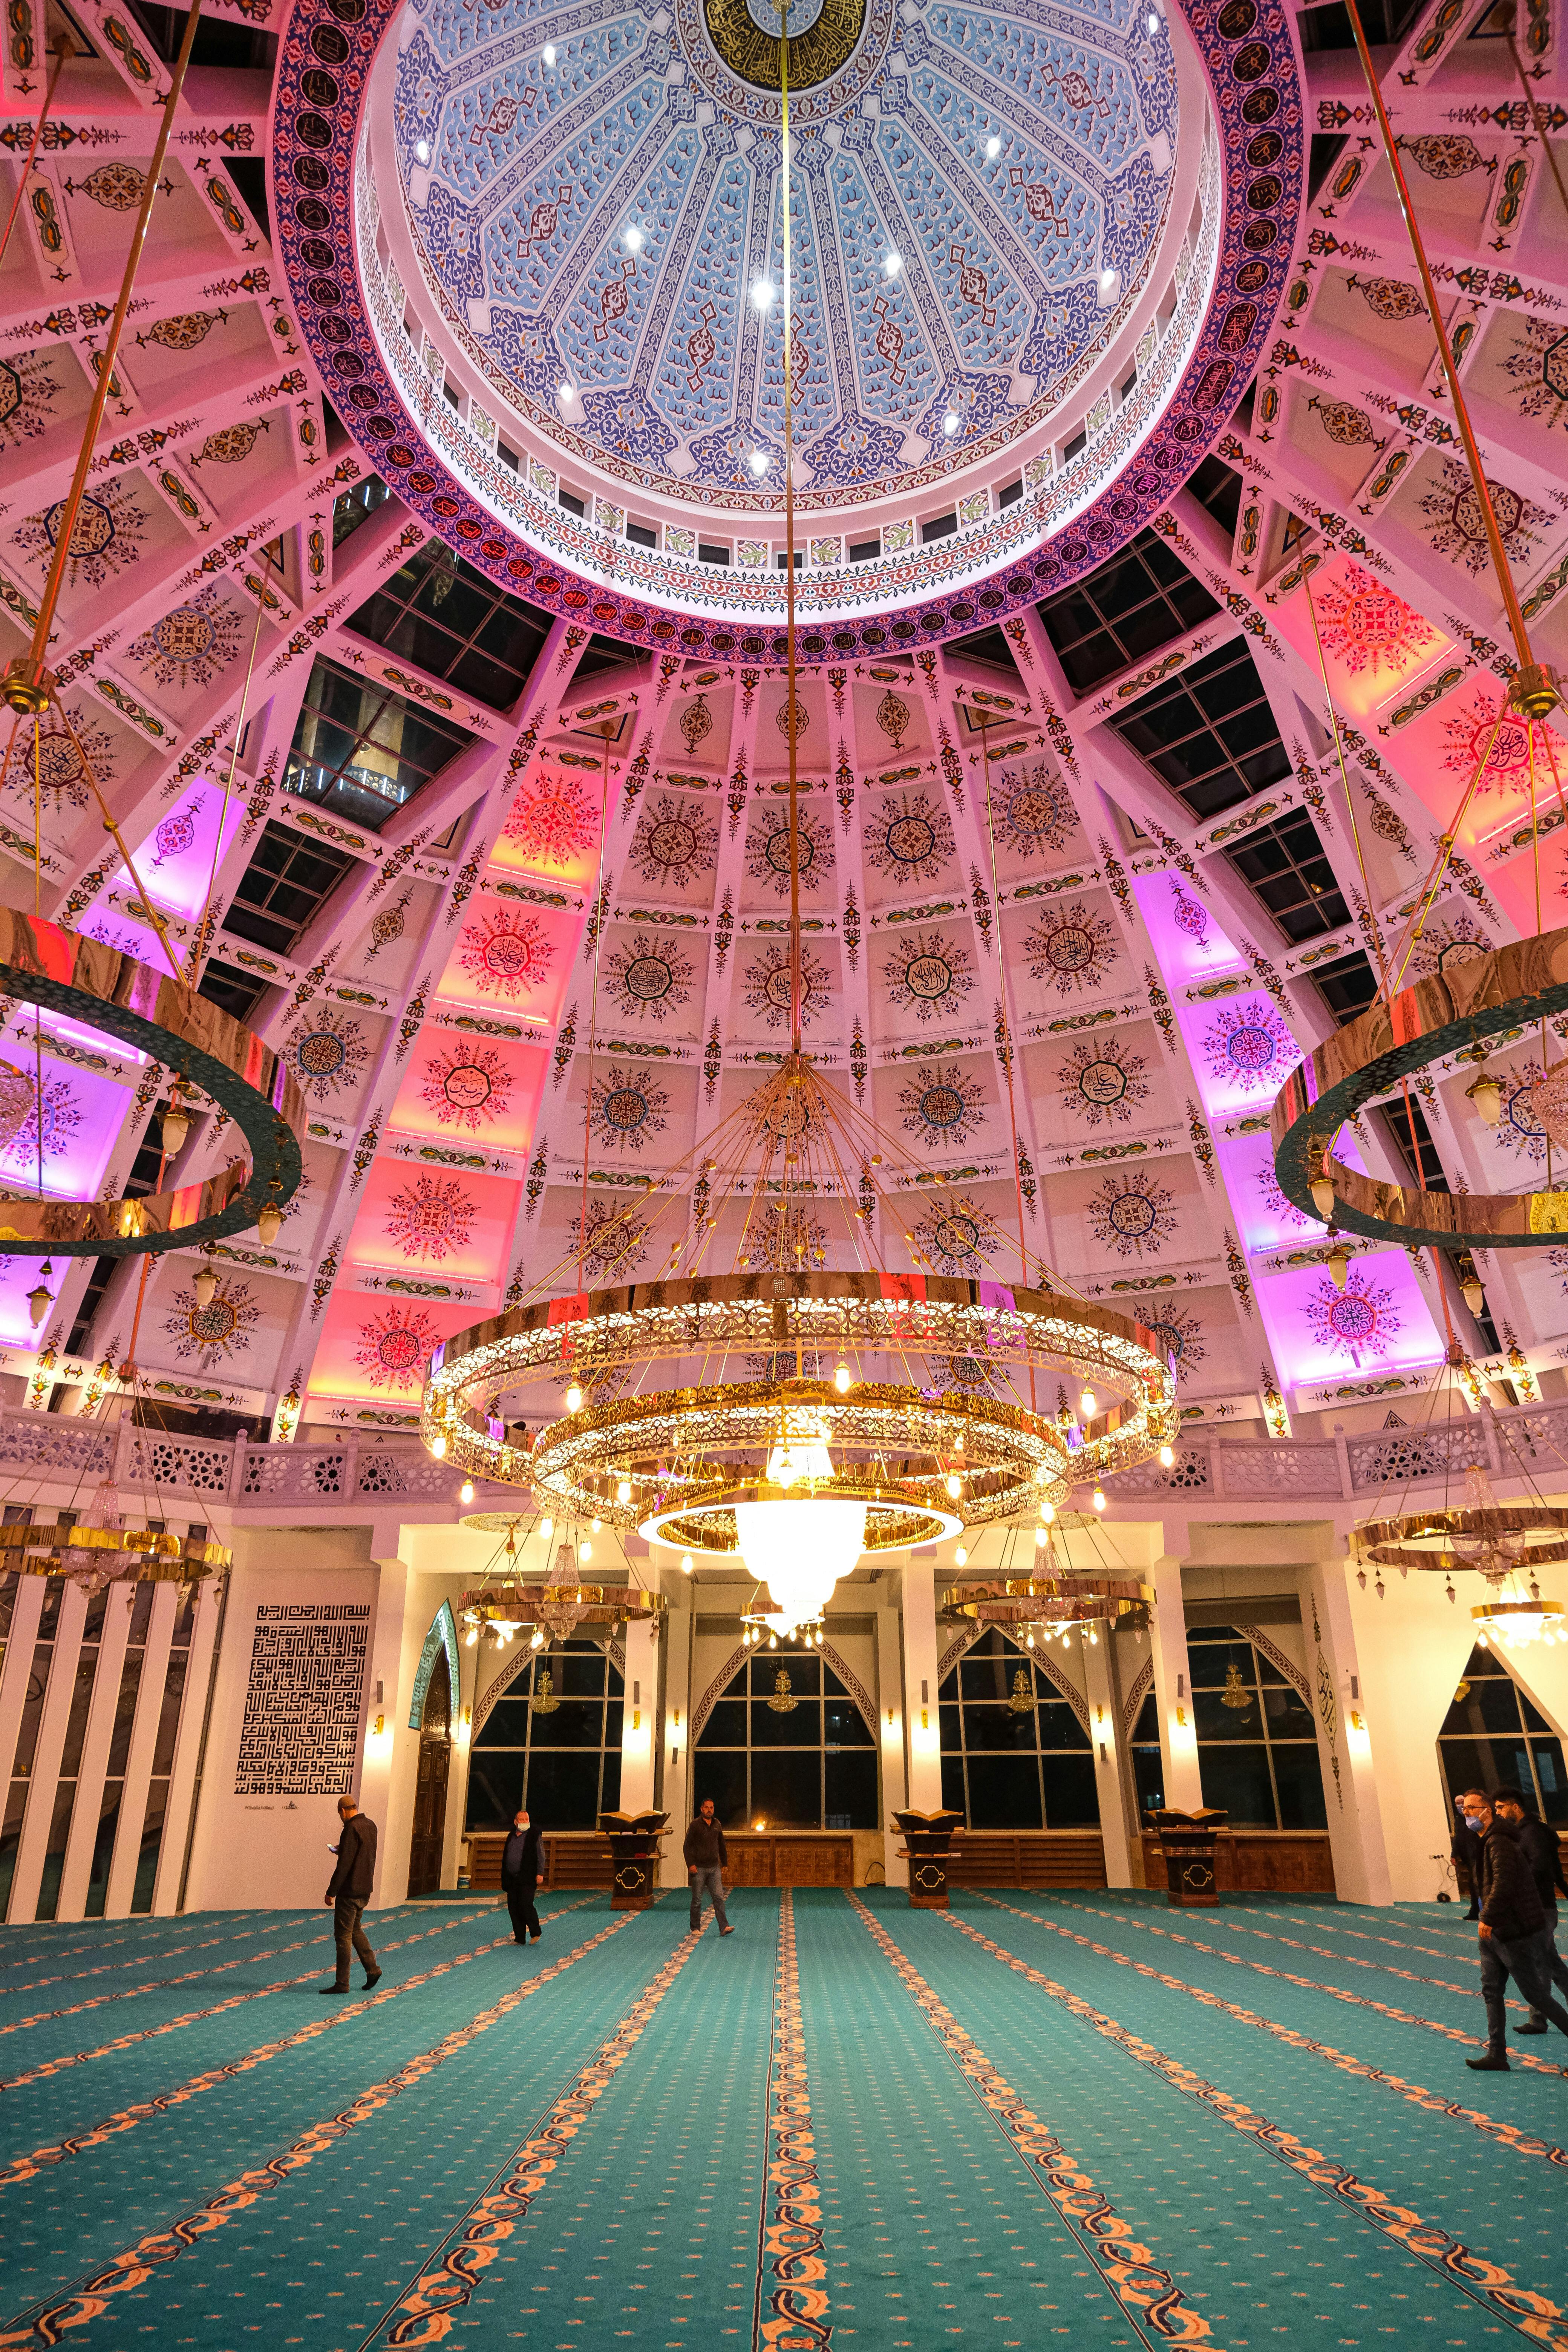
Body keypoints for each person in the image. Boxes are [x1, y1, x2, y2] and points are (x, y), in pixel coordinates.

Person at [1454, 1786, 1568, 2067]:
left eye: (1471, 1808)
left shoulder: (1500, 1841)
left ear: (1487, 1810)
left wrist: (1488, 1917)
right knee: (1492, 1991)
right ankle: (1497, 2054)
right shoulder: (1486, 1840)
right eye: (1464, 1809)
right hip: (1494, 1932)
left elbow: (1504, 1883)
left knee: (1535, 1994)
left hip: (1510, 1930)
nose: (1466, 1813)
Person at [1492, 1787, 1568, 2034]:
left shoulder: (1532, 1833)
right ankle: (1538, 2019)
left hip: (1540, 1909)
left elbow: (1543, 1868)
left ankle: (1539, 2019)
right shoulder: (1523, 1833)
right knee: (1547, 1962)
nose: (1499, 1813)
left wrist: (1519, 1889)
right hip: (1538, 1908)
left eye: (1502, 1807)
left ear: (1516, 1806)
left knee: (1544, 1963)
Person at [321, 1793, 381, 1995]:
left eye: (340, 1814)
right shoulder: (371, 1825)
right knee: (356, 1930)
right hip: (366, 1889)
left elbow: (345, 1865)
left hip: (350, 1891)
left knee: (343, 1937)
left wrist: (332, 1891)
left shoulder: (351, 1828)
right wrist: (343, 1849)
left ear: (343, 1811)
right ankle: (373, 1969)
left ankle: (342, 1983)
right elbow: (359, 1854)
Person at [684, 1795, 733, 1936]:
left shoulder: (717, 1824)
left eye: (711, 1808)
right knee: (697, 1899)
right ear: (701, 1809)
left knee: (719, 1897)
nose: (709, 1810)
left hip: (714, 1868)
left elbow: (722, 1845)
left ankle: (724, 1927)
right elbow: (687, 1847)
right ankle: (695, 1928)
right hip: (698, 1868)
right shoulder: (695, 1825)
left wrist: (725, 1864)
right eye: (707, 1807)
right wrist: (690, 1864)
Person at [502, 1805, 542, 1943]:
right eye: (522, 1819)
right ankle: (519, 1937)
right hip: (512, 1879)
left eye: (527, 1819)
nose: (525, 1822)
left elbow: (541, 1856)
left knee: (526, 1905)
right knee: (513, 1908)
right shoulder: (511, 1835)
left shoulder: (535, 1835)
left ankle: (536, 1933)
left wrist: (540, 1873)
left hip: (528, 1877)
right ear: (516, 1822)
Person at [1451, 1797, 1482, 1920]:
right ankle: (1475, 1911)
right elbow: (1458, 1839)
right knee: (1473, 1885)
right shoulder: (1459, 1821)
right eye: (1457, 1804)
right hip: (1468, 1857)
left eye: (1462, 1803)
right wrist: (1454, 1855)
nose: (1460, 1806)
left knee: (1479, 1884)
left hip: (1478, 1855)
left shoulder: (1475, 1820)